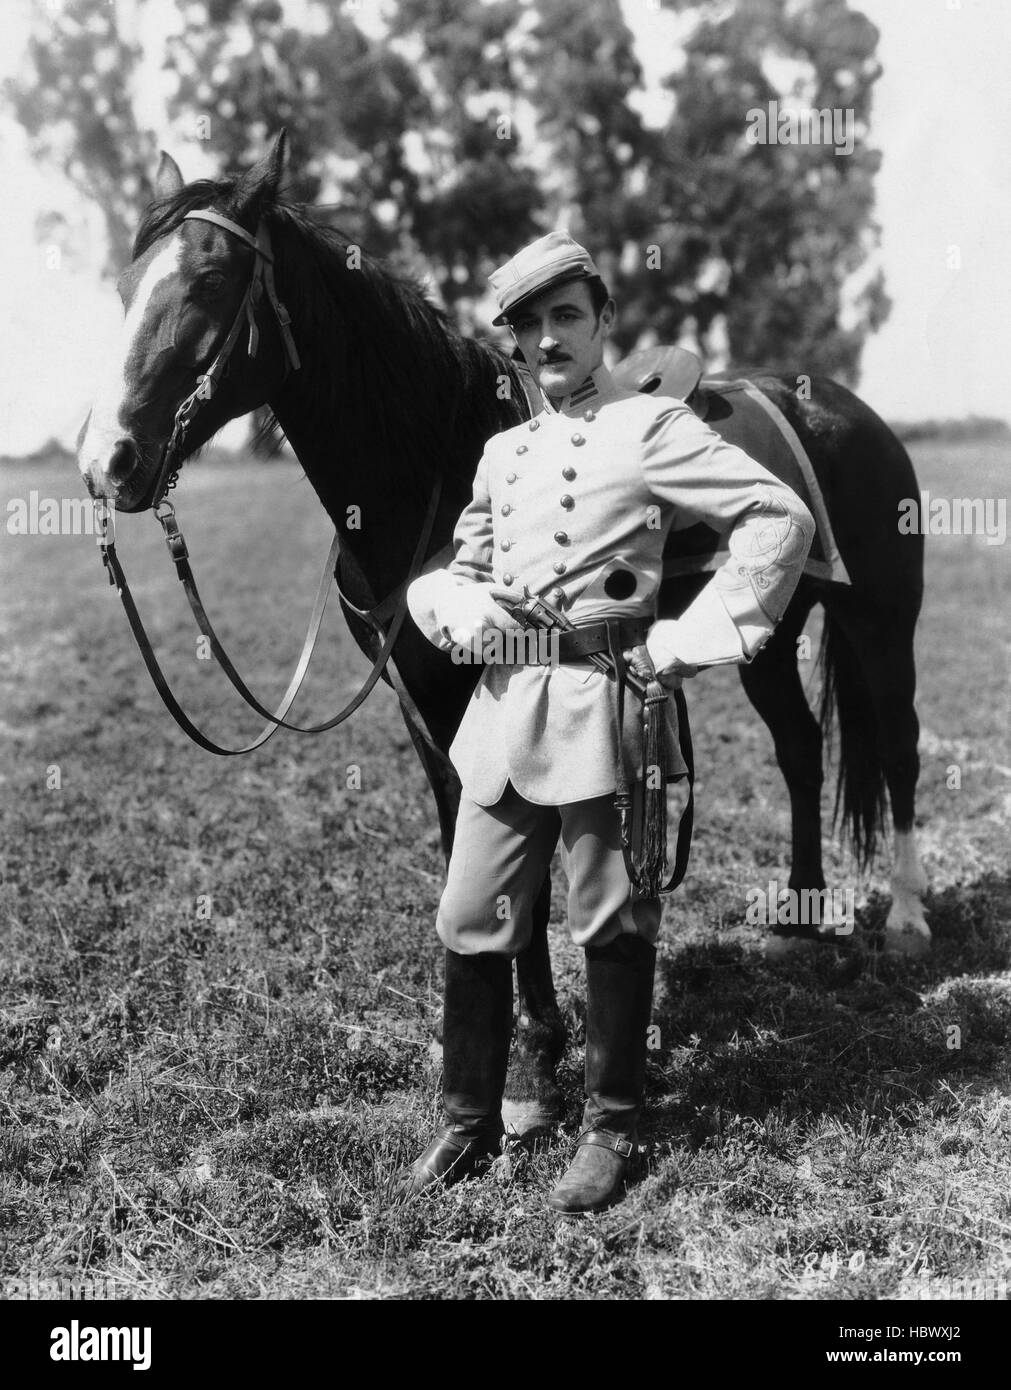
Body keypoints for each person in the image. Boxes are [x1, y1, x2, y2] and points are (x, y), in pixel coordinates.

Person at [398, 231, 815, 1213]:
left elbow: (776, 518)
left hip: (606, 707)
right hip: (507, 714)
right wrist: (463, 609)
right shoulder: (502, 454)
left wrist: (687, 640)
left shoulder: (650, 428)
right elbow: (462, 572)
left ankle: (612, 1124)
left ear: (603, 324)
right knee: (471, 915)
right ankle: (466, 1121)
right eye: (529, 325)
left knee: (610, 918)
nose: (547, 339)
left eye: (566, 317)